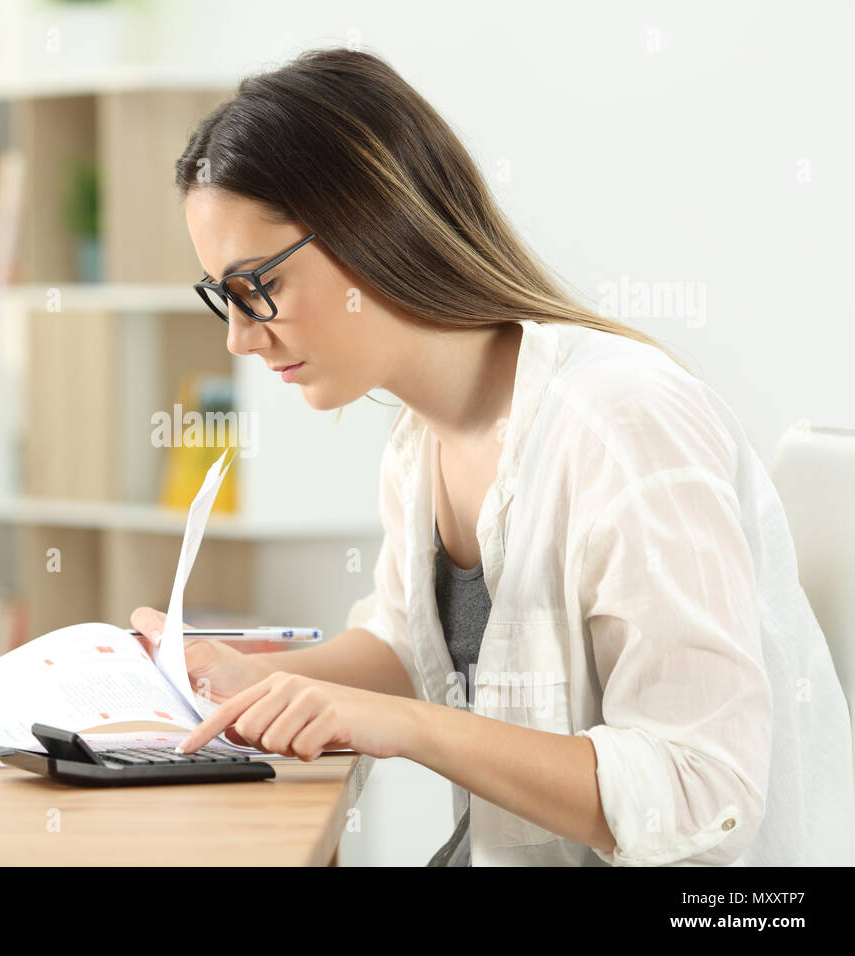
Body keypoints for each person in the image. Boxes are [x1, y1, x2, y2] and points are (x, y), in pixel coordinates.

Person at [129, 47, 853, 866]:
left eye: (256, 285)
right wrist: (242, 677)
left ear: (373, 223)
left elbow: (702, 788)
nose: (238, 336)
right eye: (222, 296)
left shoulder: (621, 424)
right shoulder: (421, 439)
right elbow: (410, 646)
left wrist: (408, 729)